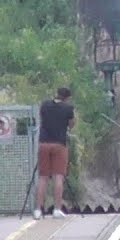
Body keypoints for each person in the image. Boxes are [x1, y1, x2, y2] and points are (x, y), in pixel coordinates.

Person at [34, 86, 75, 219]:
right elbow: (71, 125)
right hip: (59, 144)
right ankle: (57, 209)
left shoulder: (45, 105)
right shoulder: (68, 109)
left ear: (56, 94)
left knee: (43, 177)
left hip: (44, 144)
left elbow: (42, 119)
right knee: (58, 176)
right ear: (67, 98)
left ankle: (38, 210)